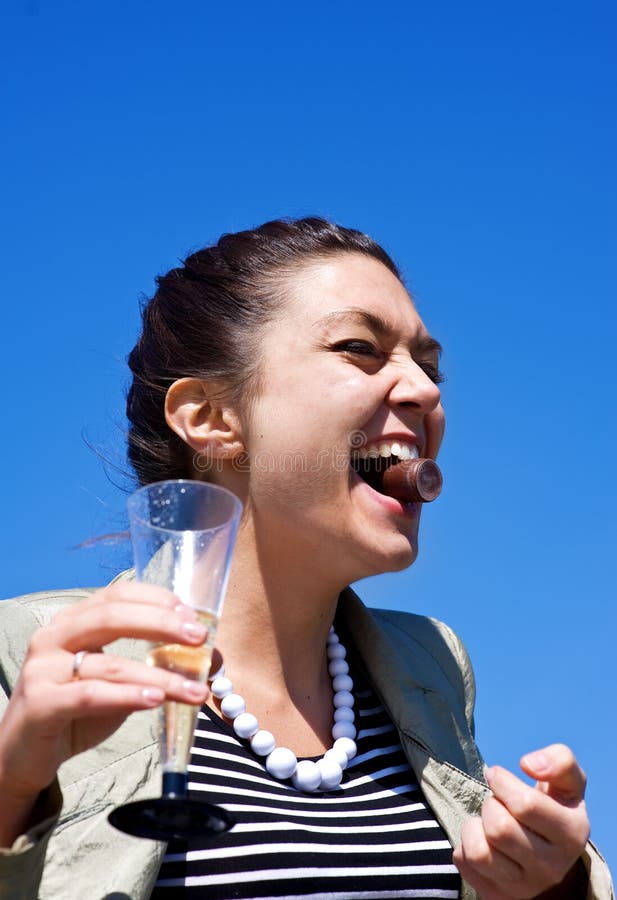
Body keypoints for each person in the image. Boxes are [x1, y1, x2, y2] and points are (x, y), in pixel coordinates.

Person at [0, 217, 613, 900]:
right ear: (210, 419)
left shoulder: (430, 665)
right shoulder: (27, 656)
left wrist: (549, 888)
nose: (425, 390)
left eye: (430, 365)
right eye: (360, 348)